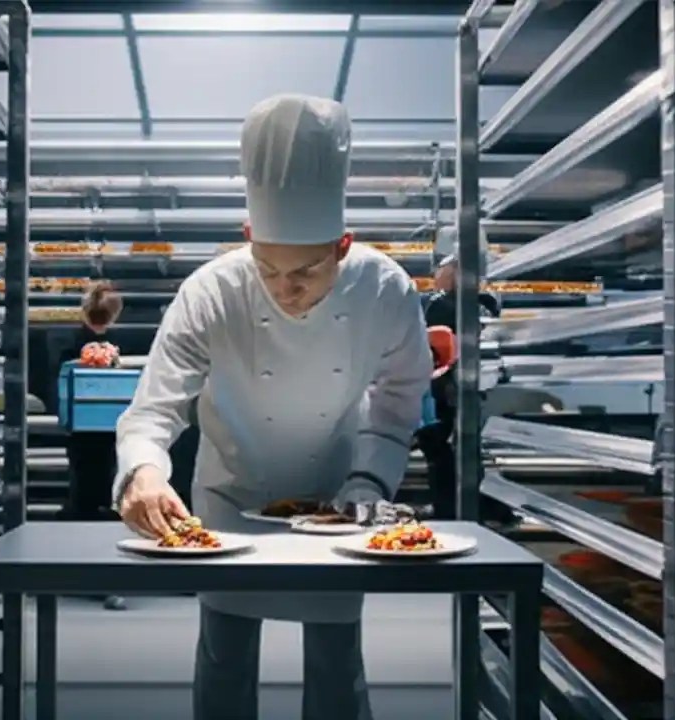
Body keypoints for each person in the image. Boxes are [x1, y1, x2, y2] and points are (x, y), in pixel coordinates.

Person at [113, 94, 430, 720]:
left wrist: (367, 481)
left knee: (338, 663)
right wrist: (144, 472)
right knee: (225, 661)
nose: (287, 290)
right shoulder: (209, 291)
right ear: (248, 237)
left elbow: (399, 397)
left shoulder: (386, 289)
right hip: (233, 492)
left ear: (343, 245)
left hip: (338, 494)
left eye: (307, 273)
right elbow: (154, 408)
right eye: (269, 268)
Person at [414, 228, 514, 523]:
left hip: (448, 392)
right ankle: (477, 508)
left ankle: (470, 510)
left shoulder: (450, 305)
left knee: (445, 452)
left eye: (442, 268)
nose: (437, 275)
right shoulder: (473, 303)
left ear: (458, 269)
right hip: (449, 391)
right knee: (455, 453)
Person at [60, 281, 128, 611]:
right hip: (108, 434)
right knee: (101, 503)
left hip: (83, 436)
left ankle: (76, 575)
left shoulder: (68, 342)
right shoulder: (119, 344)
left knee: (83, 500)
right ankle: (101, 579)